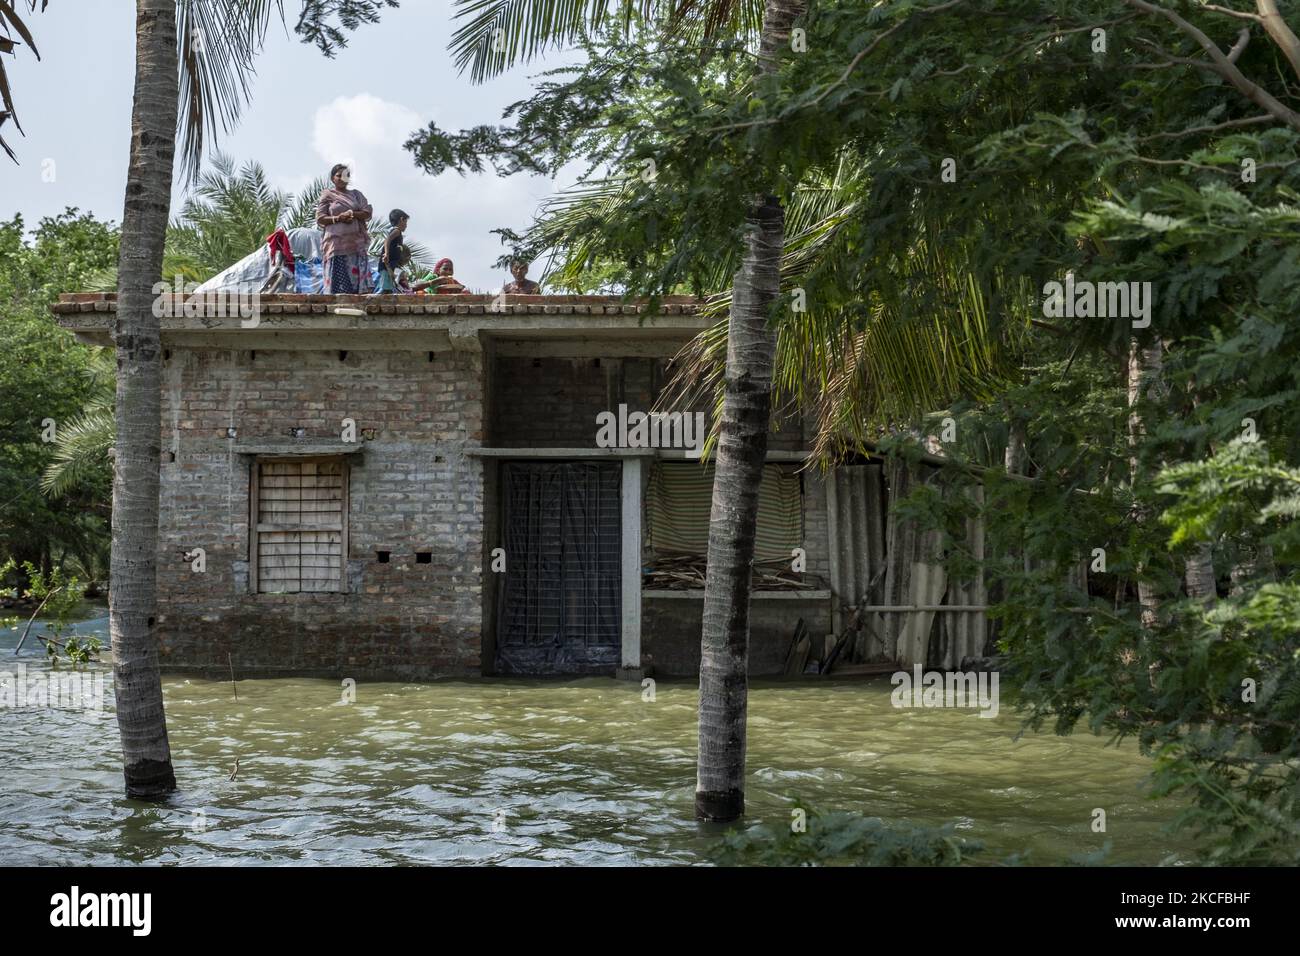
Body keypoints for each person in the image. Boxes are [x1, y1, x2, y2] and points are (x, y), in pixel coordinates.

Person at [315, 163, 374, 294]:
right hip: (336, 245)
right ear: (332, 178)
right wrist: (339, 218)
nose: (342, 178)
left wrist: (351, 214)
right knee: (339, 285)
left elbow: (367, 212)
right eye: (339, 175)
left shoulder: (356, 195)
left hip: (355, 244)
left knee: (356, 286)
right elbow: (320, 218)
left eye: (346, 175)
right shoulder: (328, 195)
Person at [378, 209, 412, 293]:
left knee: (389, 288)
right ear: (401, 219)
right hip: (386, 264)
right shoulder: (396, 231)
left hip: (391, 265)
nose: (406, 226)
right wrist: (386, 254)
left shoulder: (399, 234)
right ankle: (372, 300)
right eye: (406, 222)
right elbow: (387, 240)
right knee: (385, 288)